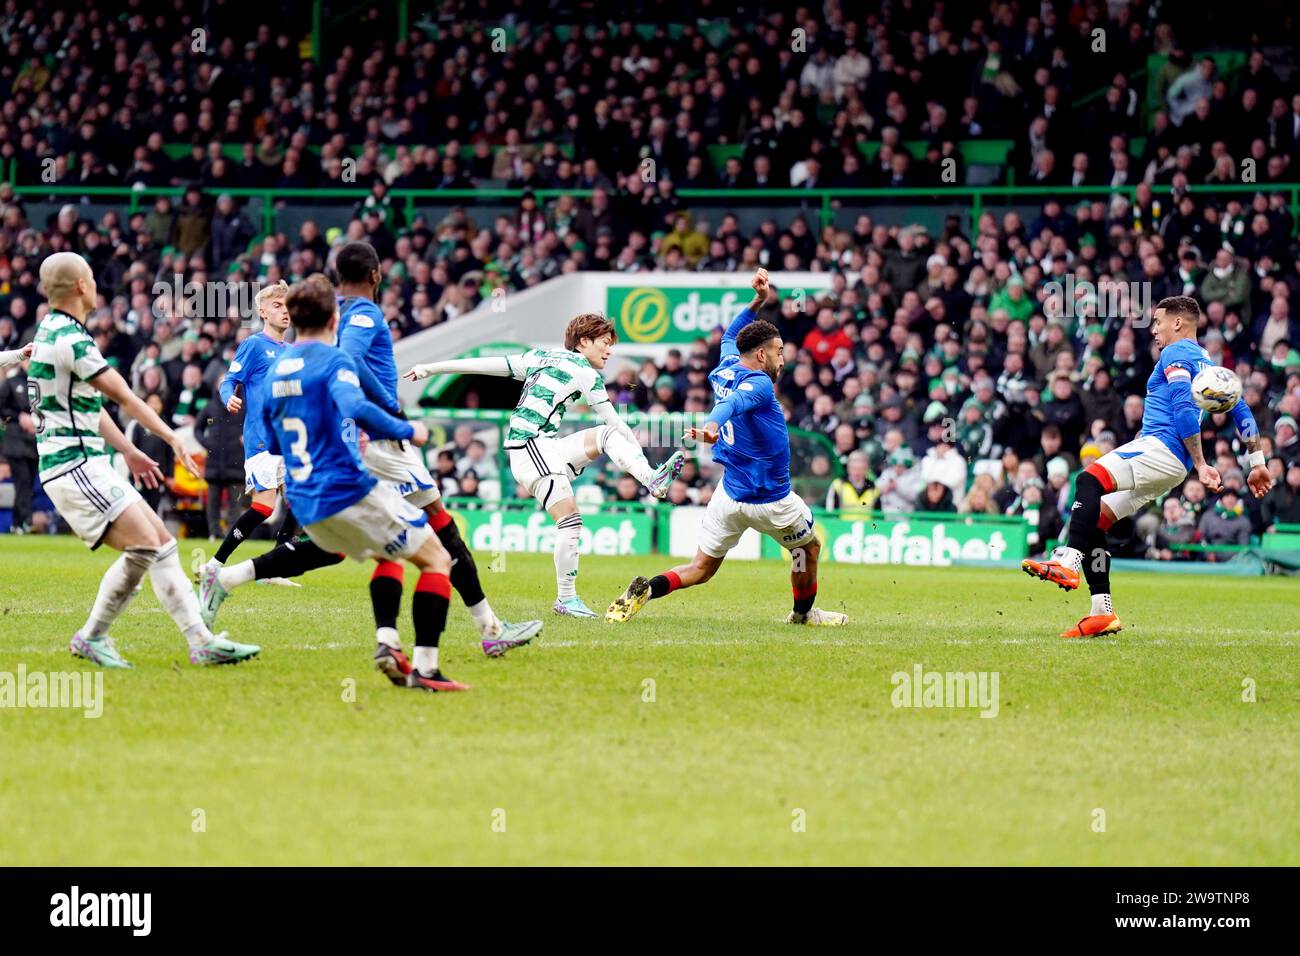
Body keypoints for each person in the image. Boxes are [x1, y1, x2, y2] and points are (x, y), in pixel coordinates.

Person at [27, 252, 259, 668]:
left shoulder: (52, 330)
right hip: (73, 467)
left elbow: (89, 407)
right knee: (149, 545)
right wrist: (172, 438)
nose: (97, 283)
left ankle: (196, 641)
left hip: (83, 463)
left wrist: (129, 450)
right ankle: (95, 636)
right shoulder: (72, 339)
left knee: (161, 544)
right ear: (81, 286)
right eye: (92, 277)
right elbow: (125, 396)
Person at [605, 268, 847, 627]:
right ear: (762, 355)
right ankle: (802, 615)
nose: (783, 360)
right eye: (779, 352)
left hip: (728, 495)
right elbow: (731, 405)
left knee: (701, 569)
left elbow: (732, 332)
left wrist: (759, 302)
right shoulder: (760, 384)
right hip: (770, 499)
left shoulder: (725, 364)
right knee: (807, 549)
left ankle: (648, 590)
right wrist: (712, 426)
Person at [404, 313, 685, 618]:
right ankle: (566, 599)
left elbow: (486, 365)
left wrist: (431, 368)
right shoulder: (585, 373)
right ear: (584, 341)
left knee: (605, 437)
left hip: (547, 446)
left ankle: (650, 478)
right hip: (529, 447)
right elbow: (617, 420)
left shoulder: (540, 357)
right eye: (605, 343)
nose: (609, 350)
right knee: (571, 521)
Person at [1022, 296, 1273, 636]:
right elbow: (1241, 410)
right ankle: (1101, 611)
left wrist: (1201, 463)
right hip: (1171, 463)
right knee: (1096, 517)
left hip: (1161, 449)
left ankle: (1067, 562)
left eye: (1158, 322)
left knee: (1088, 480)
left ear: (1178, 324)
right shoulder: (1208, 363)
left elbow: (1184, 408)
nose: (1154, 329)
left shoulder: (1175, 353)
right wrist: (1257, 462)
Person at [261, 274, 462, 691]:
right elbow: (355, 405)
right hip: (347, 488)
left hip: (305, 502)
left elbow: (271, 436)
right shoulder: (334, 360)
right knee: (437, 559)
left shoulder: (278, 364)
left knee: (385, 554)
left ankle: (388, 641)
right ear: (335, 318)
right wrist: (409, 431)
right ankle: (426, 670)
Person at [204, 280, 291, 568]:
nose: (285, 311)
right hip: (262, 438)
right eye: (277, 306)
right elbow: (229, 381)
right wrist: (230, 398)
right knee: (264, 507)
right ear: (263, 312)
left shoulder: (292, 350)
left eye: (288, 305)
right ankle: (216, 563)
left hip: (290, 439)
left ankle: (275, 568)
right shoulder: (254, 345)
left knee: (300, 502)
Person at [0, 348, 38, 531]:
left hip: (33, 442)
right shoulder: (10, 383)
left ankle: (19, 523)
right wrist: (17, 418)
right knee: (22, 482)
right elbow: (2, 411)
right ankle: (26, 521)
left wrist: (36, 420)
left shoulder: (40, 384)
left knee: (28, 483)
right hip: (15, 442)